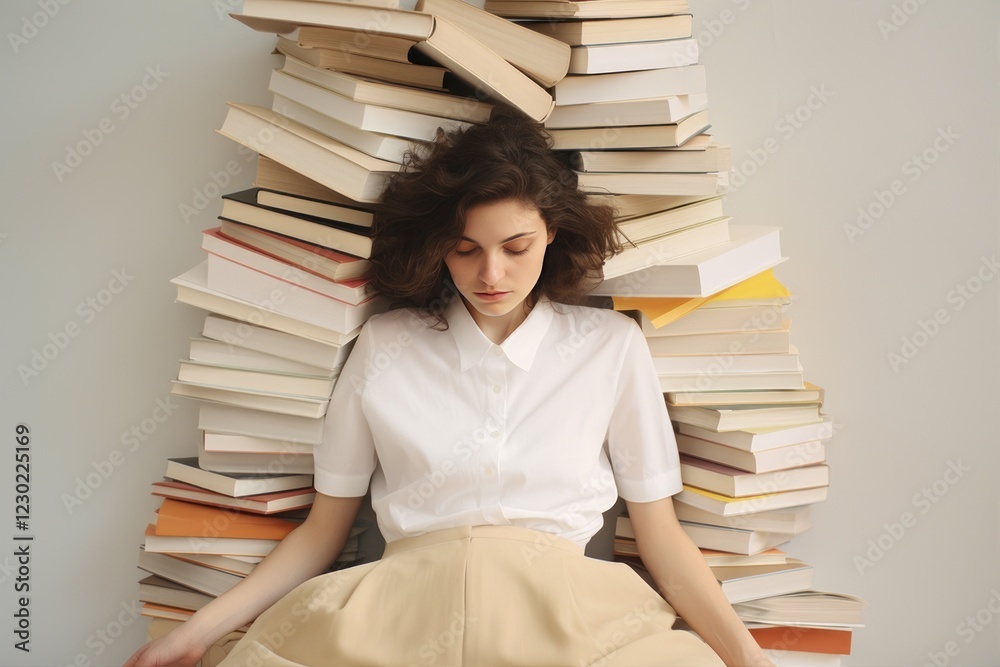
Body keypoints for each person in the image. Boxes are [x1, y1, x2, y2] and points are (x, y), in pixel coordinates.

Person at [126, 106, 775, 667]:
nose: (491, 272)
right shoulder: (387, 344)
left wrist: (749, 656)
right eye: (465, 249)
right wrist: (193, 632)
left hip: (568, 617)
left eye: (516, 246)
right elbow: (322, 533)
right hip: (398, 613)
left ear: (552, 230)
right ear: (438, 246)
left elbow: (661, 538)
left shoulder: (609, 347)